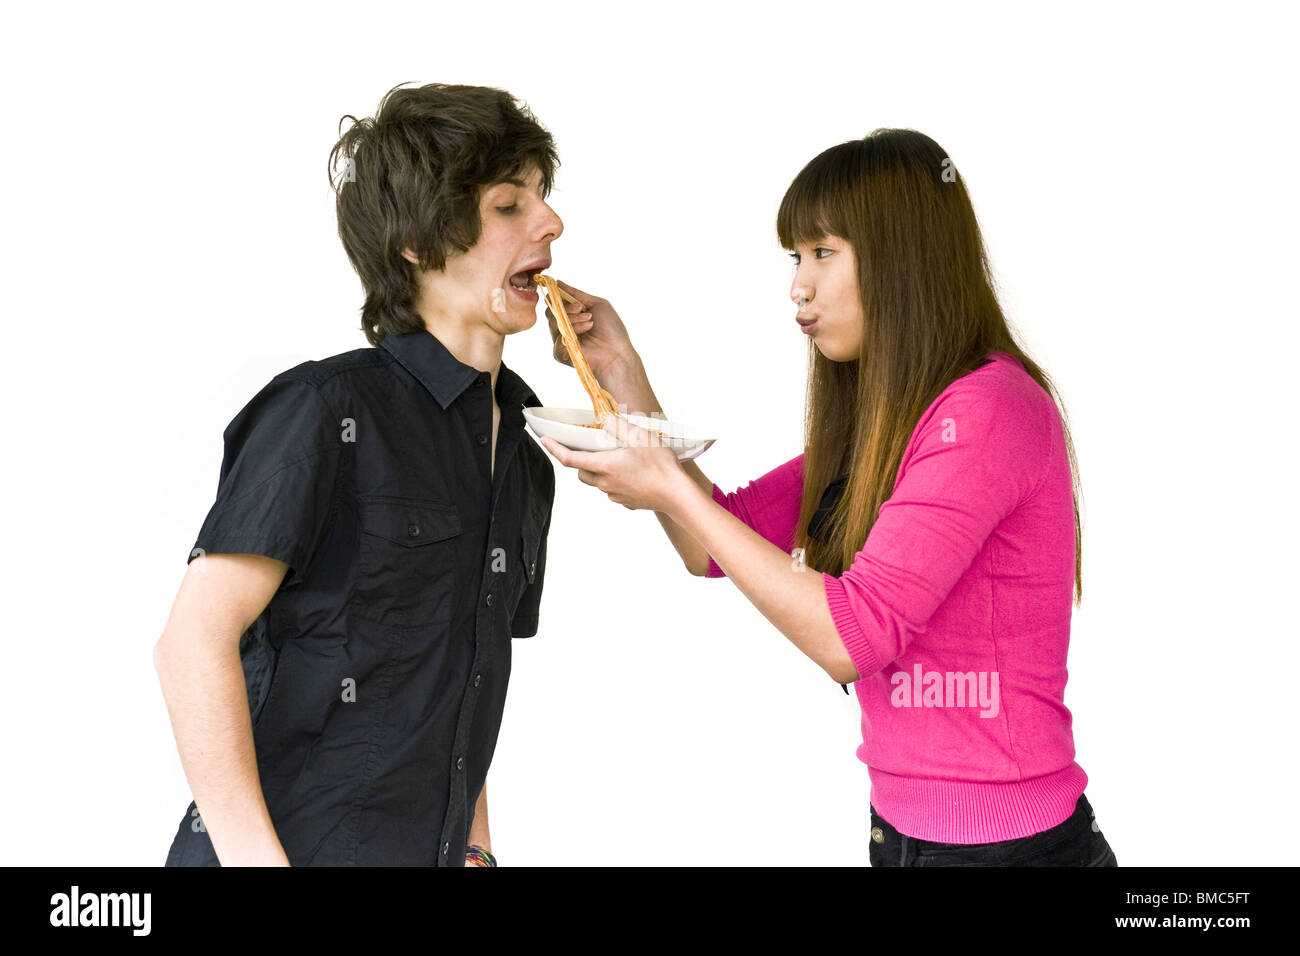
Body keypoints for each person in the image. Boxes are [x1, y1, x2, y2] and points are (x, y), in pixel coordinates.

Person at [538, 129, 1118, 866]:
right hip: (903, 834)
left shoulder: (986, 411)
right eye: (794, 257)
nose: (797, 285)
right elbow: (712, 545)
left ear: (900, 256)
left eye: (822, 253)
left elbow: (853, 640)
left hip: (1007, 850)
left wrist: (665, 487)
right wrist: (623, 372)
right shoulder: (892, 421)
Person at [154, 82, 566, 866]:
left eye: (543, 197)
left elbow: (462, 681)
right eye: (510, 205)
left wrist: (476, 852)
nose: (551, 223)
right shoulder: (323, 409)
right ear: (417, 242)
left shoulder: (525, 441)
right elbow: (190, 645)